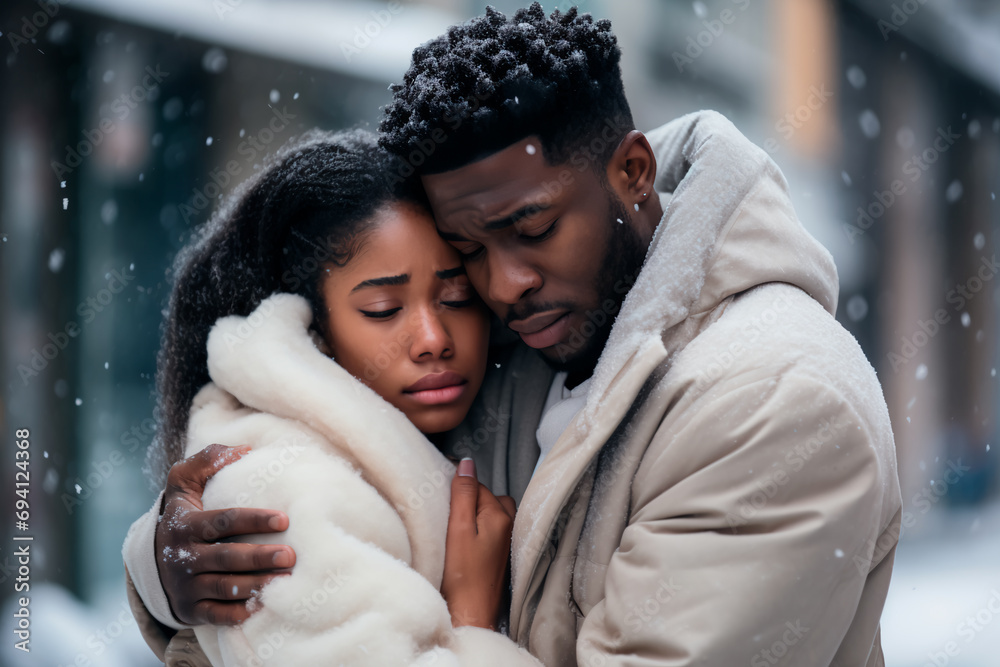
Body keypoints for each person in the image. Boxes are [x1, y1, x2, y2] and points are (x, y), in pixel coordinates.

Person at [145, 4, 903, 666]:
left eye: (533, 229)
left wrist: (469, 626)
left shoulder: (776, 401)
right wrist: (170, 566)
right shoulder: (507, 337)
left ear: (634, 172)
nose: (503, 284)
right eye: (468, 249)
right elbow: (327, 485)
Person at [122, 129, 542, 666]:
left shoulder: (525, 361)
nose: (434, 339)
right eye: (383, 309)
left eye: (458, 298)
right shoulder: (287, 493)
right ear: (309, 329)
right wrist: (473, 619)